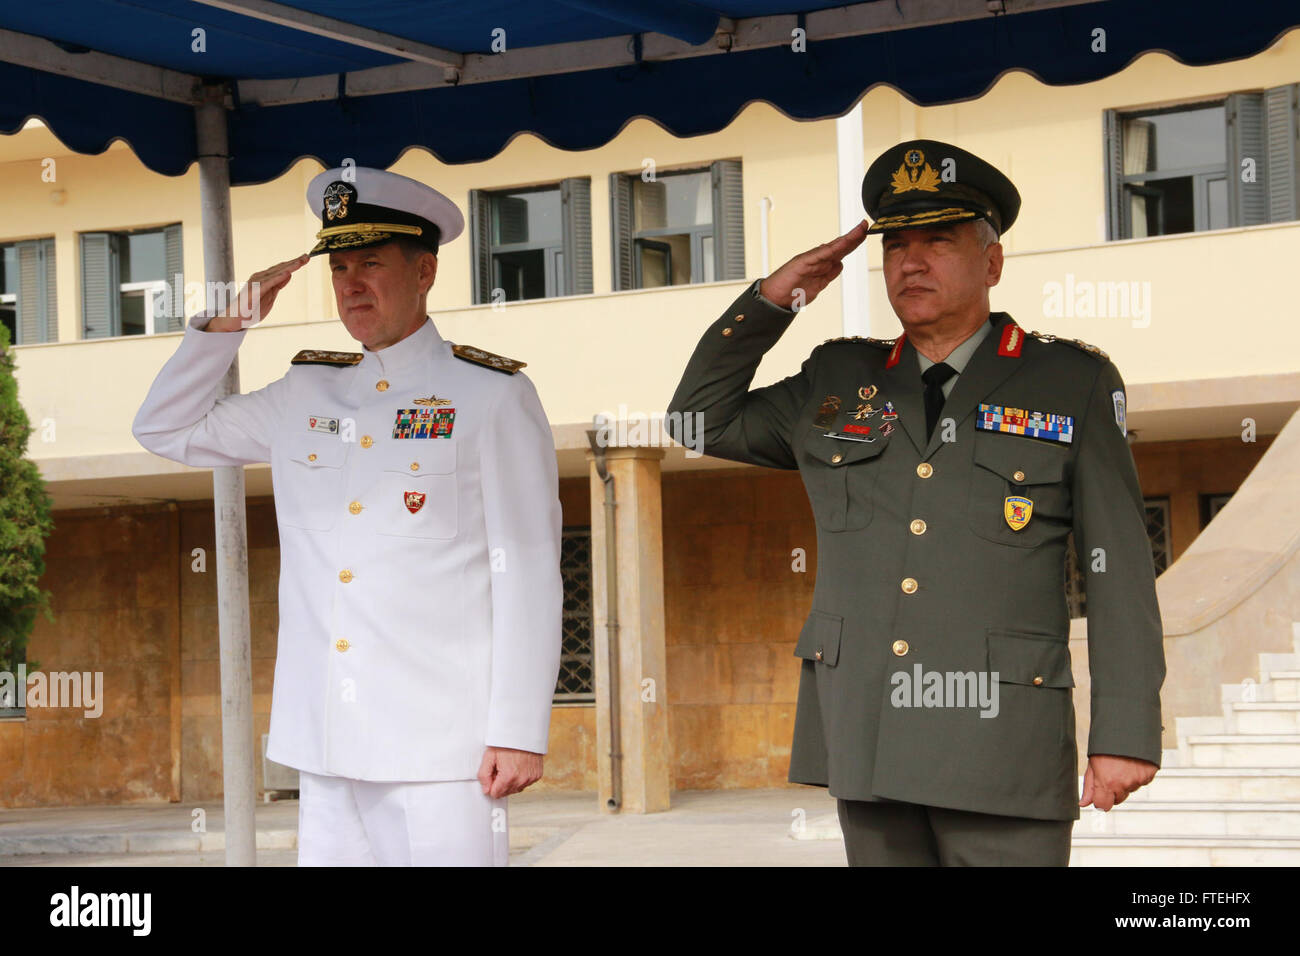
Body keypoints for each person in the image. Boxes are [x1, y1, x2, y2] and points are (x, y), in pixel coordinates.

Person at [666, 140, 1165, 866]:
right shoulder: (839, 376)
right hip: (868, 738)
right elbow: (694, 421)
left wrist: (1123, 733)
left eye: (939, 240)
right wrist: (776, 299)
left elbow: (1118, 567)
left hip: (1003, 744)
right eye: (896, 244)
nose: (911, 261)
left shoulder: (1069, 382)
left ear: (991, 263)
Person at [133, 166, 563, 866]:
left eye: (371, 263)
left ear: (424, 271)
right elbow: (163, 428)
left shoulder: (491, 396)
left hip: (441, 749)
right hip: (325, 740)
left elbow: (530, 570)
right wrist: (226, 324)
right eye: (339, 267)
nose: (351, 284)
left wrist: (519, 727)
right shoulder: (306, 391)